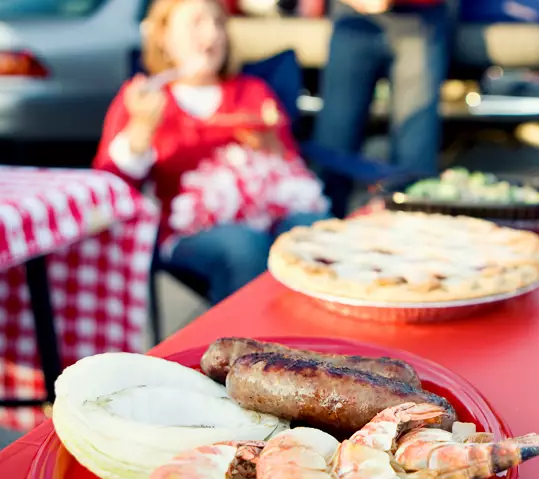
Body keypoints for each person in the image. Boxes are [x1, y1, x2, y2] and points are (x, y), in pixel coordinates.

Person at [93, 0, 329, 305]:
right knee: (244, 246)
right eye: (197, 23)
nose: (213, 33)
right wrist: (141, 130)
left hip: (268, 217)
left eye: (218, 23)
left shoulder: (252, 92)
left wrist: (271, 146)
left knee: (314, 231)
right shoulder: (145, 98)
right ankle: (249, 343)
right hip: (185, 231)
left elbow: (292, 173)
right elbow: (108, 191)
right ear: (164, 36)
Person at [310, 0, 453, 217]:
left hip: (420, 17)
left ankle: (412, 240)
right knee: (334, 144)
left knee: (414, 158)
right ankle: (321, 235)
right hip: (352, 18)